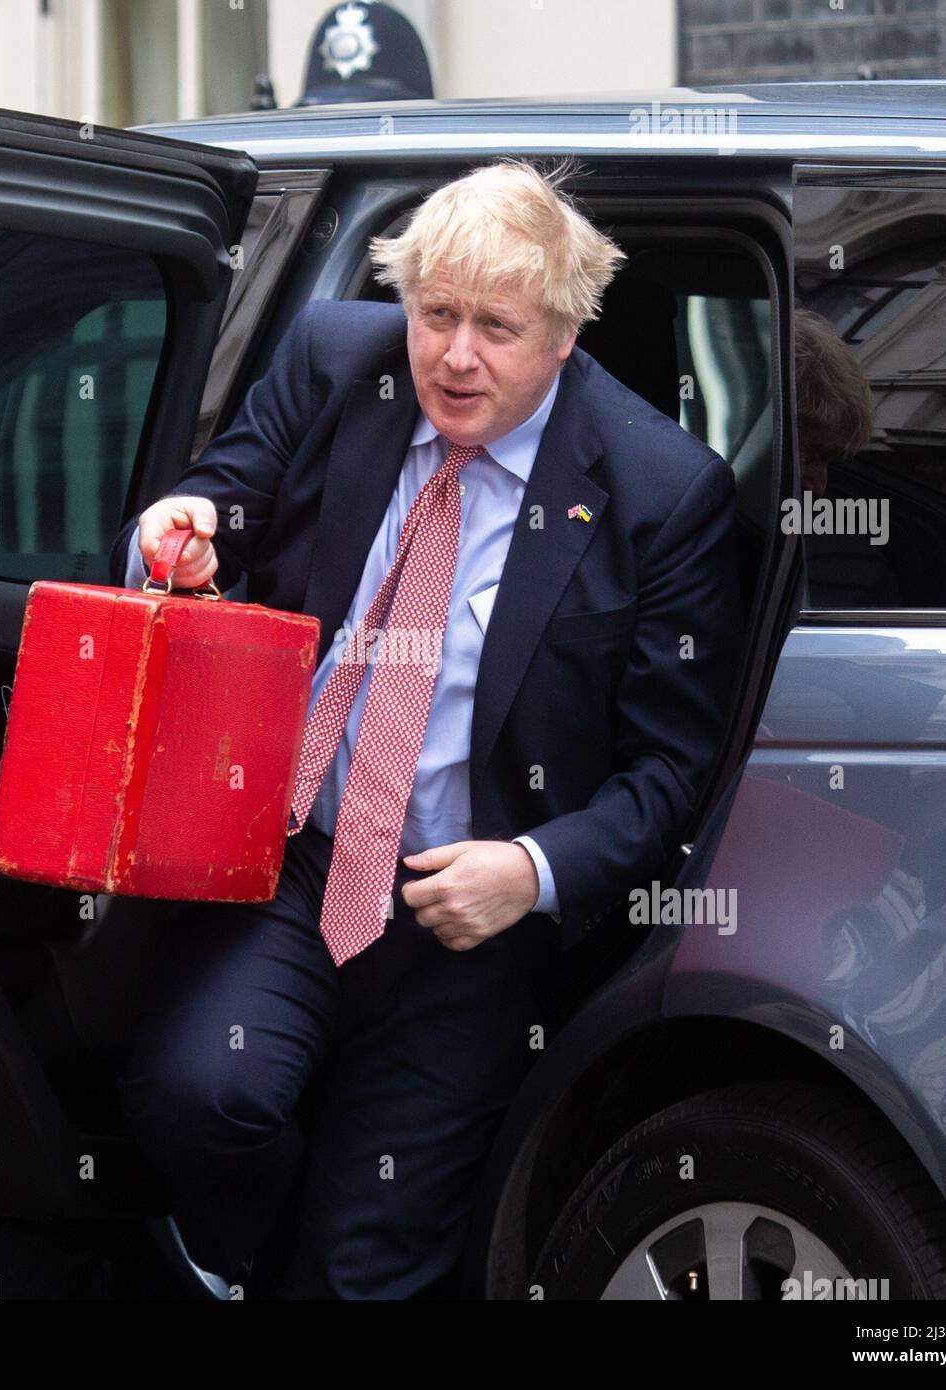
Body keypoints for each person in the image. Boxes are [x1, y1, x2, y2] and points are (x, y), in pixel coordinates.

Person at [112, 158, 745, 1299]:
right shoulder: (333, 362)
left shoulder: (660, 488)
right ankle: (254, 1257)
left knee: (370, 1265)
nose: (455, 356)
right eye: (435, 314)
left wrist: (533, 869)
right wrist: (186, 526)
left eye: (495, 327)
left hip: (471, 918)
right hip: (298, 861)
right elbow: (229, 502)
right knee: (200, 1099)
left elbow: (670, 772)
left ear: (563, 333)